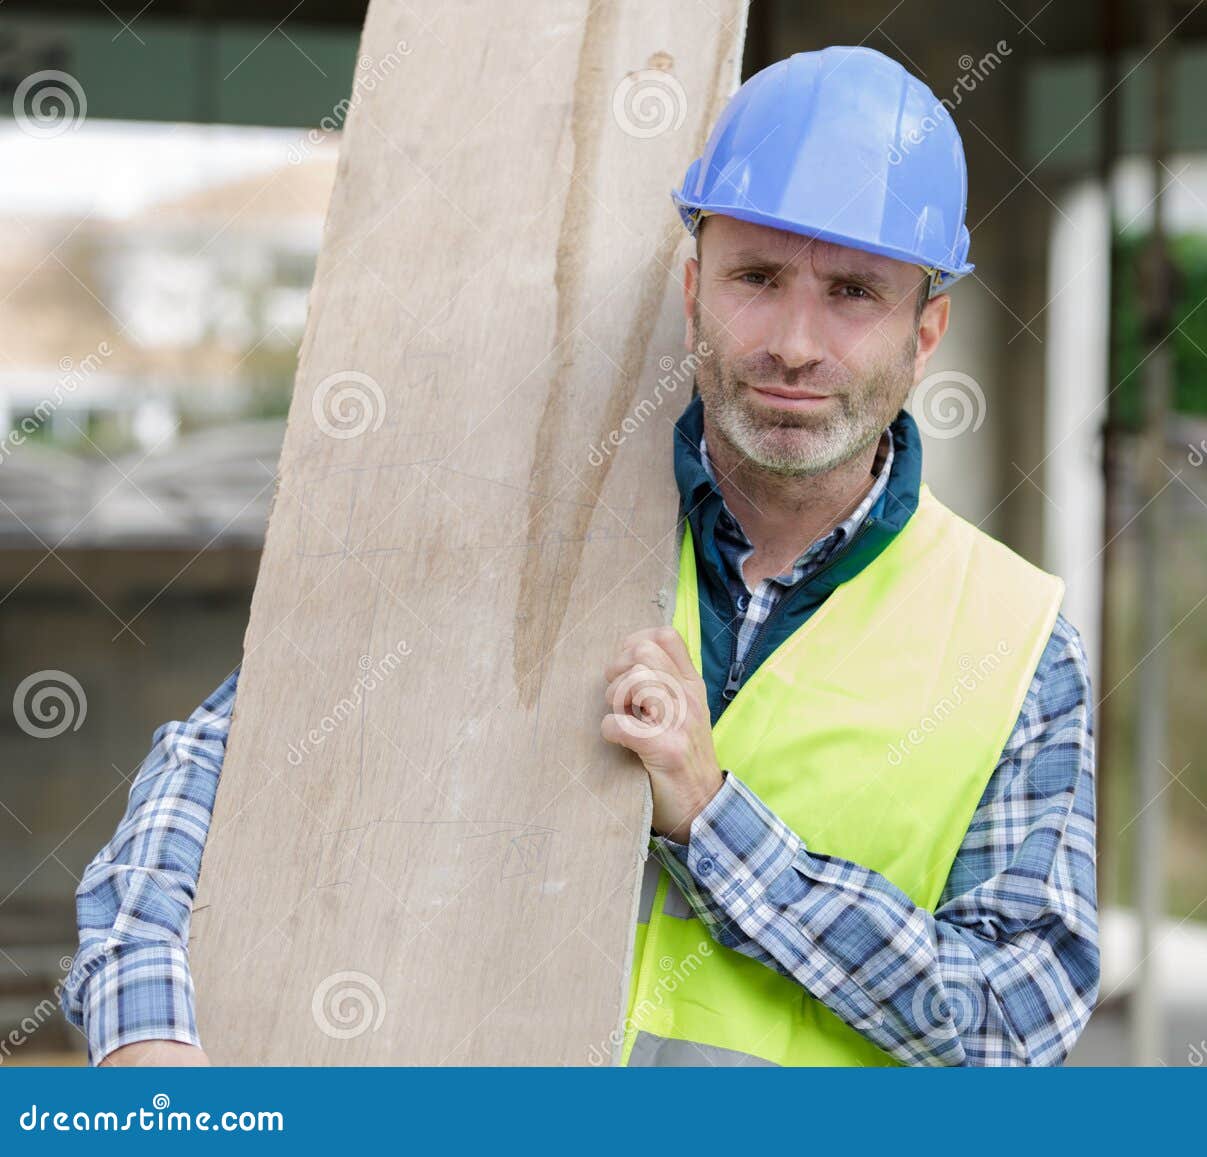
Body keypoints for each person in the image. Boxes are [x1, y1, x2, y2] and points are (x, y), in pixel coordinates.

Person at [65, 44, 1098, 1068]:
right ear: (694, 288)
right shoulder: (501, 542)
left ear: (926, 332)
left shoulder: (1014, 641)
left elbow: (1017, 1022)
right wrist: (148, 1040)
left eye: (853, 293)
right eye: (757, 276)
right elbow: (213, 774)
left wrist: (715, 827)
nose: (792, 338)